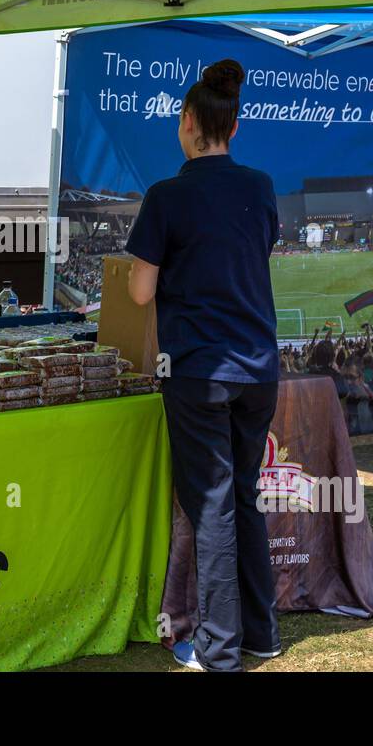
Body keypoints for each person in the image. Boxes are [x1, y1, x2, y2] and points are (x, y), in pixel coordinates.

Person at [125, 59, 281, 672]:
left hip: (199, 371)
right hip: (257, 370)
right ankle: (260, 633)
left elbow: (139, 293)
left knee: (214, 503)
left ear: (188, 123)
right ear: (233, 127)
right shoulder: (260, 187)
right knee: (242, 495)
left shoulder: (167, 195)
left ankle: (218, 650)